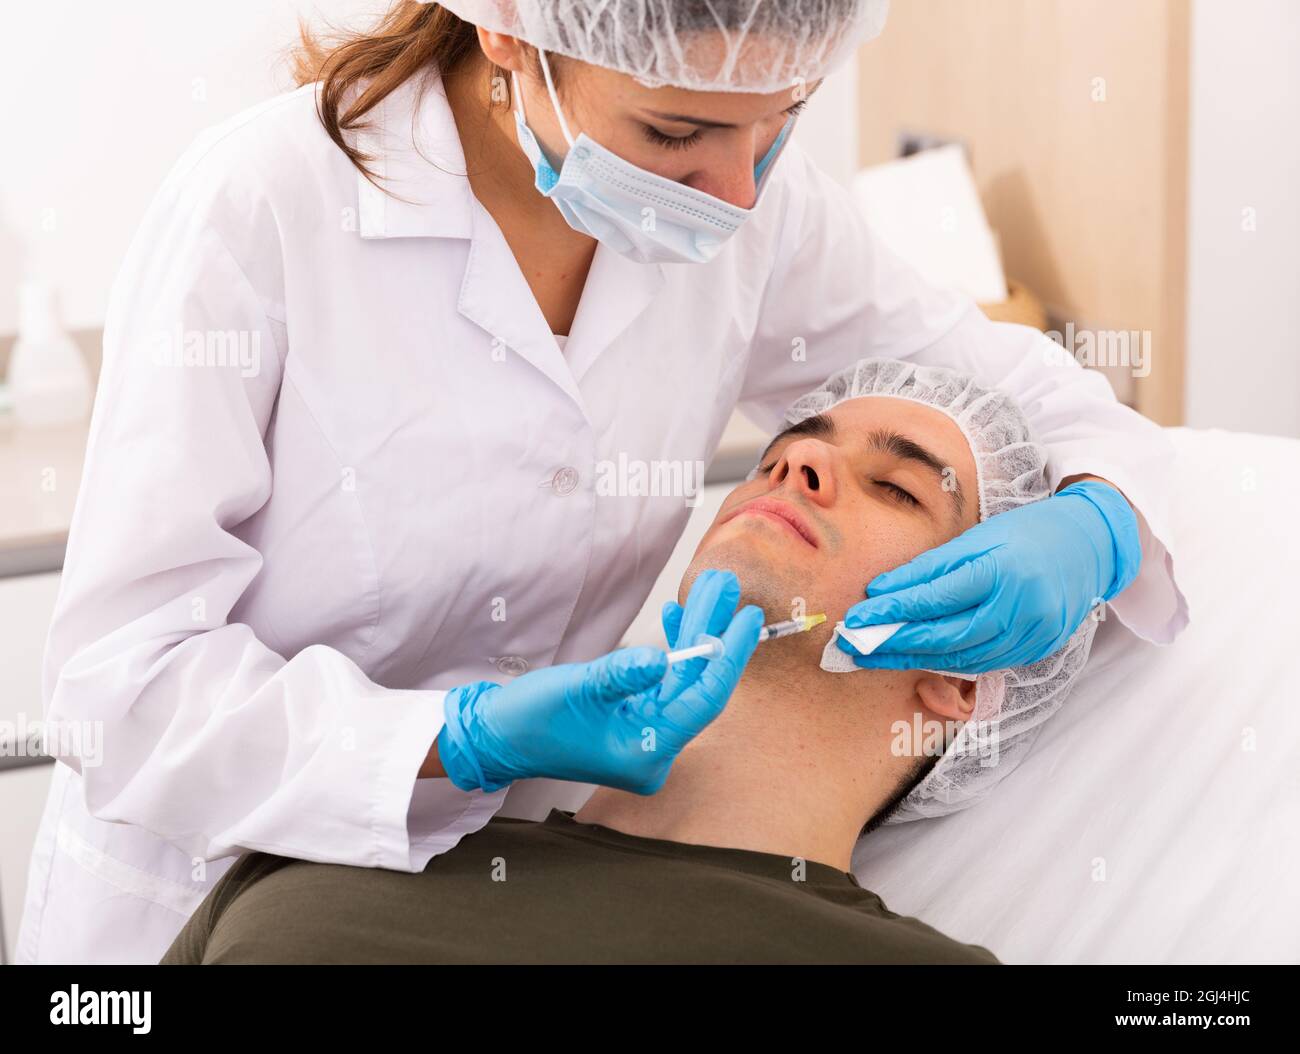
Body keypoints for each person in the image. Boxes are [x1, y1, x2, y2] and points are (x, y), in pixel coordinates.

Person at [19, 1, 1187, 965]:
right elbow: (123, 692)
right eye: (674, 133)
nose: (734, 193)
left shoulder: (760, 218)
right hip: (197, 883)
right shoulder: (264, 209)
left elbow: (1030, 399)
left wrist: (1096, 525)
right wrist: (457, 737)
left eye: (780, 123)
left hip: (520, 878)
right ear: (513, 35)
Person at [161, 358, 1086, 965]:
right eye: (788, 450)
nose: (796, 464)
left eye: (896, 486)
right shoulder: (338, 846)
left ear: (966, 678)